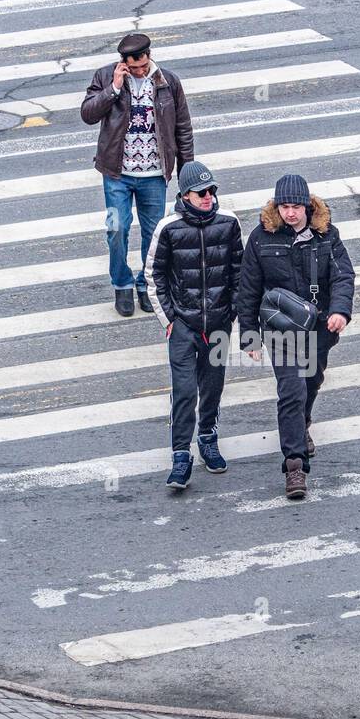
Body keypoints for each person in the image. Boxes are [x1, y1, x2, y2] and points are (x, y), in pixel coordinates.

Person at [236, 174, 355, 499]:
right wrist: (249, 335)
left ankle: (302, 423)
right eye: (284, 206)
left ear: (307, 205)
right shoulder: (261, 238)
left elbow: (343, 275)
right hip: (280, 329)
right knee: (291, 390)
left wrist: (340, 311)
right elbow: (248, 289)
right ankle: (295, 466)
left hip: (319, 327)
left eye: (296, 206)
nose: (290, 213)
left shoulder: (327, 235)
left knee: (311, 381)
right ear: (277, 207)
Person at [144, 161, 244, 490]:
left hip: (217, 324)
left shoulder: (229, 223)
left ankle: (208, 437)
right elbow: (152, 275)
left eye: (212, 190)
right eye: (201, 192)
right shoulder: (168, 228)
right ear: (185, 195)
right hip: (183, 327)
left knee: (212, 387)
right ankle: (180, 454)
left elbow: (239, 271)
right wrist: (169, 320)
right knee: (185, 392)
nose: (208, 196)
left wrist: (231, 312)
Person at [80, 33, 195, 317]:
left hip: (155, 174)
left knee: (153, 235)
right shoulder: (106, 76)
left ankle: (146, 285)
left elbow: (183, 128)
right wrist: (114, 89)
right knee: (116, 230)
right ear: (124, 63)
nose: (140, 71)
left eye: (143, 65)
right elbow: (88, 113)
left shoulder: (168, 82)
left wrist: (187, 176)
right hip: (117, 172)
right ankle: (121, 284)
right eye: (134, 68)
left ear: (149, 55)